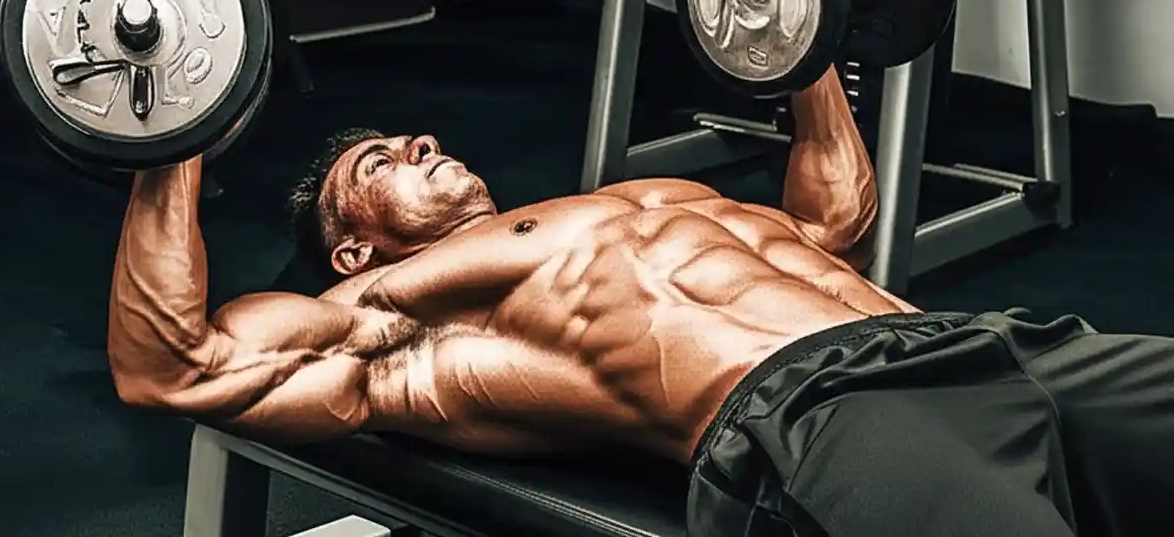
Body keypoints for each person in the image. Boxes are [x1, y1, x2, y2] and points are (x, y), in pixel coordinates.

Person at [108, 66, 1173, 536]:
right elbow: (173, 365)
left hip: (981, 345)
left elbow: (830, 223)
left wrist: (800, 58)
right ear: (350, 249)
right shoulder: (405, 310)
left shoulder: (637, 199)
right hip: (821, 416)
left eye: (413, 136)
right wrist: (173, 141)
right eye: (381, 162)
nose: (420, 143)